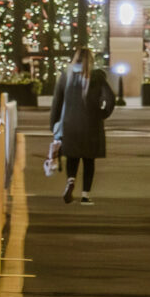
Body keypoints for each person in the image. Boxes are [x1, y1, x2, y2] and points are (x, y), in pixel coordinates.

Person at [49, 51, 116, 205]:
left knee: (72, 157)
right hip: (91, 124)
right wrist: (102, 113)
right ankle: (85, 196)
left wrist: (53, 124)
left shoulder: (66, 76)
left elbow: (57, 103)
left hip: (70, 124)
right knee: (89, 160)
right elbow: (110, 98)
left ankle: (71, 181)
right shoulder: (97, 77)